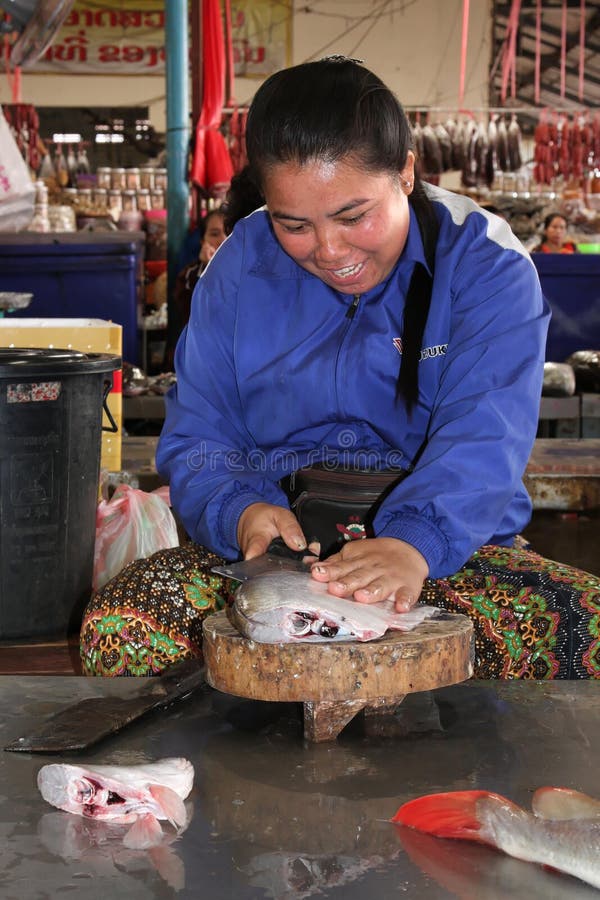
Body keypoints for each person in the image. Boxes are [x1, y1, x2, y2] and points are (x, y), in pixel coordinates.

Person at [81, 57, 599, 680]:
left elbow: (486, 440)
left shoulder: (485, 264)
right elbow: (200, 433)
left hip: (451, 556)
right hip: (280, 554)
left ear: (406, 171)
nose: (328, 251)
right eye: (293, 224)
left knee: (586, 637)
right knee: (120, 633)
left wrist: (414, 544)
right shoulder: (240, 269)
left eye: (354, 216)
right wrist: (240, 507)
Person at [172, 207, 227, 327]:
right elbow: (193, 316)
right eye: (214, 234)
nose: (223, 239)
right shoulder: (189, 275)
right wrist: (210, 269)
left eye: (229, 232)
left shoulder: (248, 273)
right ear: (202, 241)